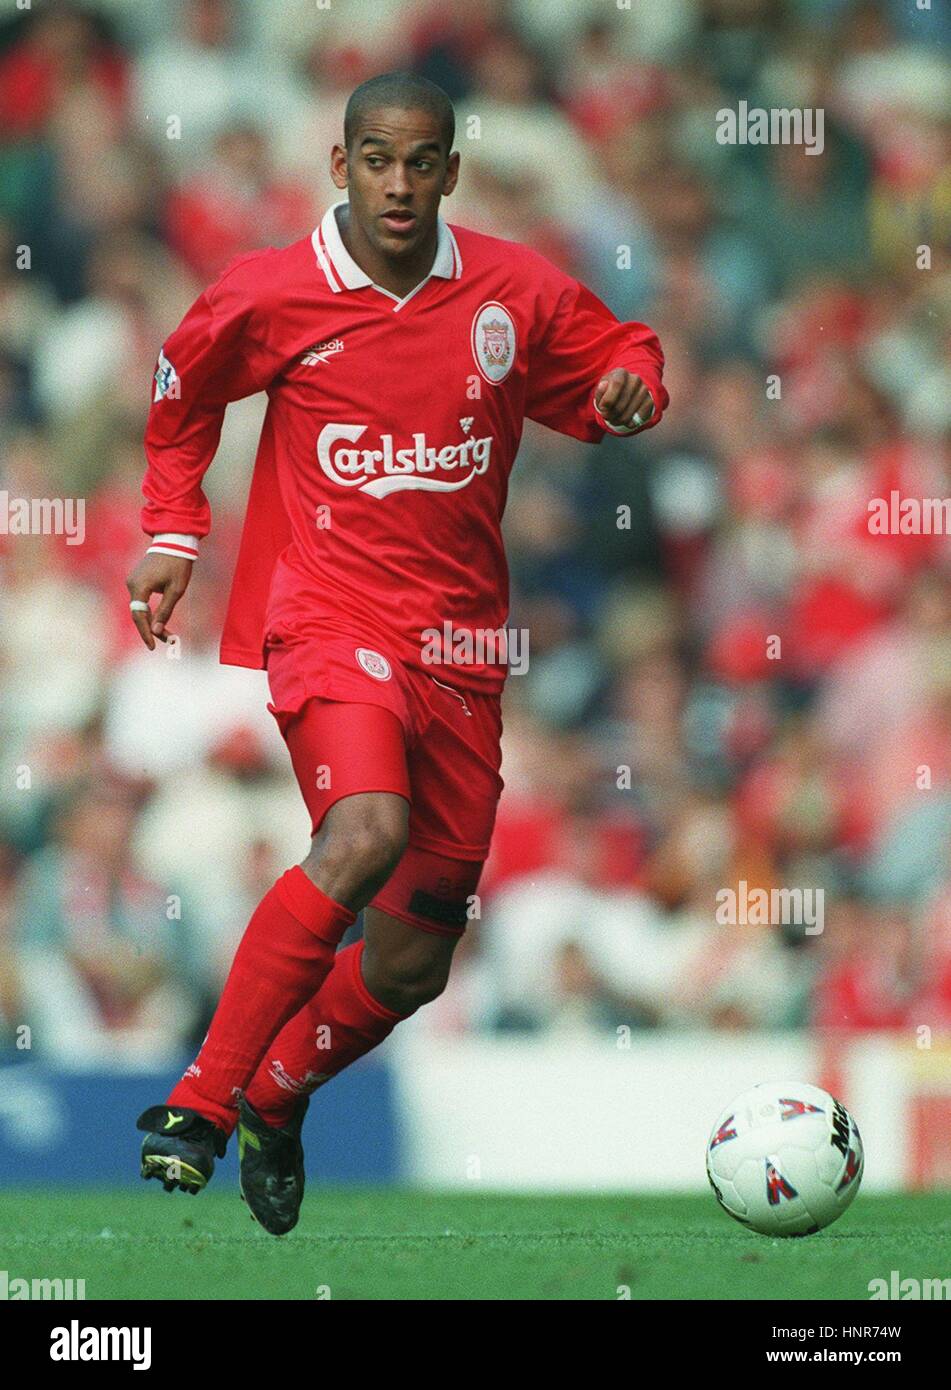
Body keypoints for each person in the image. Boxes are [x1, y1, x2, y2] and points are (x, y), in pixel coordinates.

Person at [129, 71, 668, 1233]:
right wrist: (174, 532)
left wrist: (634, 391)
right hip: (326, 618)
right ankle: (201, 1100)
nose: (398, 183)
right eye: (376, 159)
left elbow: (617, 351)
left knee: (414, 963)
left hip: (462, 648)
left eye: (422, 162)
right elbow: (181, 393)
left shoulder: (508, 289)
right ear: (341, 166)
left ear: (451, 173)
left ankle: (278, 1094)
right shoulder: (272, 292)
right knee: (362, 831)